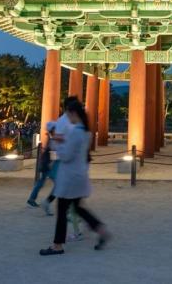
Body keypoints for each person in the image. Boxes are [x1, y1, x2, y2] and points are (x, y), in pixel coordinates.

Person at [39, 100, 110, 256]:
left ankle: (57, 245)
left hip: (69, 177)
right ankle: (101, 230)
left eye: (68, 114)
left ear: (72, 113)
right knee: (78, 208)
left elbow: (66, 155)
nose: (67, 117)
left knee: (62, 210)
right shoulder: (86, 132)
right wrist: (62, 141)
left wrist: (57, 144)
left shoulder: (75, 132)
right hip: (79, 174)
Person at [39, 96, 80, 215]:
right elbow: (58, 140)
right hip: (64, 159)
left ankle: (49, 202)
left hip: (67, 159)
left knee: (64, 185)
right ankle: (68, 211)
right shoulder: (63, 121)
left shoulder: (69, 120)